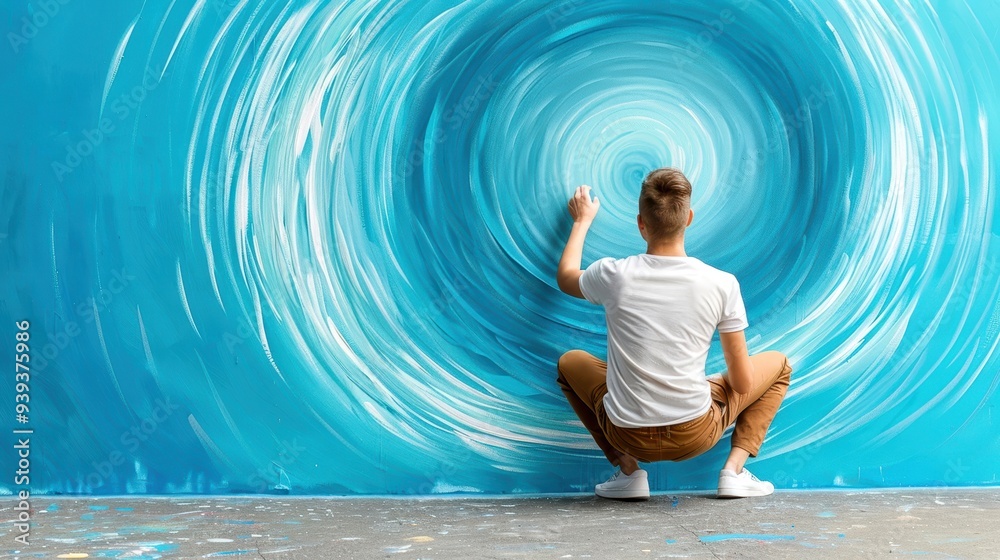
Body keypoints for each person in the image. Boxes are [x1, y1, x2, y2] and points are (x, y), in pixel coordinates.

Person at [555, 167, 792, 500]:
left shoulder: (614, 275)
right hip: (694, 435)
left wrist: (581, 221)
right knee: (779, 365)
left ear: (641, 224)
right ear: (689, 218)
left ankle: (629, 471)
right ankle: (733, 472)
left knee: (570, 362)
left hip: (626, 434)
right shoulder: (722, 284)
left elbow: (566, 277)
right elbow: (741, 384)